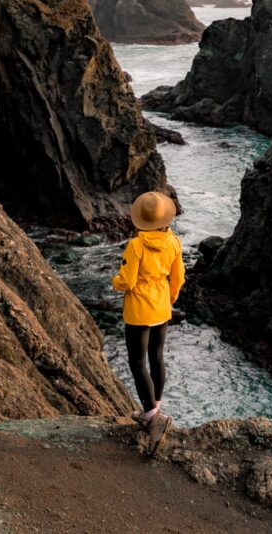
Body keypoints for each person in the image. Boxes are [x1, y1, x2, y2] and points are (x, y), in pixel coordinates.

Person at [111, 190, 185, 456]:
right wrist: (170, 297)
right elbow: (178, 279)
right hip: (161, 307)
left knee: (137, 362)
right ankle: (156, 407)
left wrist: (114, 281)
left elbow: (127, 281)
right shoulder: (174, 242)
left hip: (139, 310)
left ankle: (152, 415)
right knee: (157, 357)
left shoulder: (136, 245)